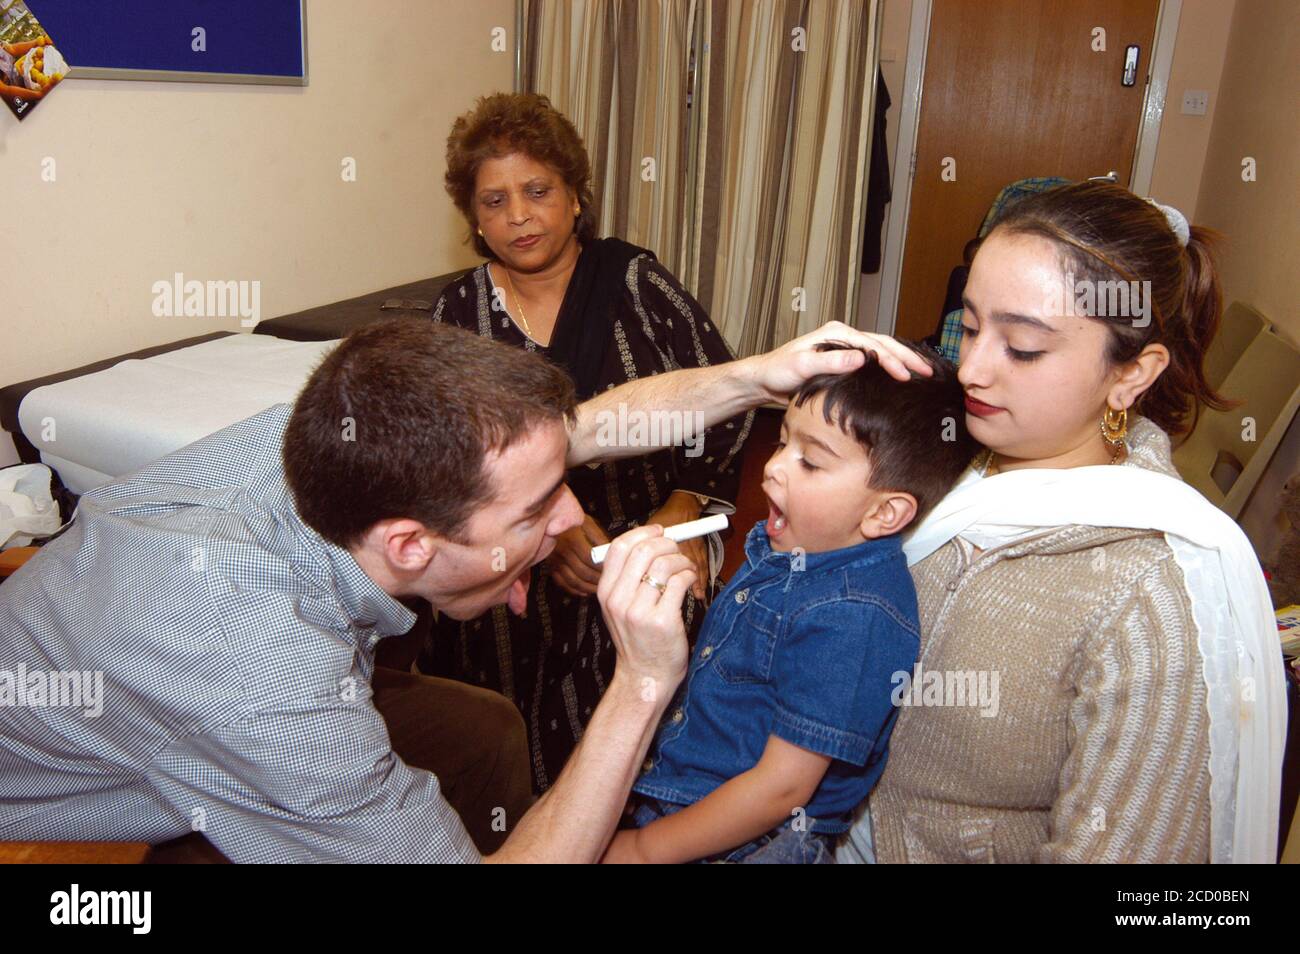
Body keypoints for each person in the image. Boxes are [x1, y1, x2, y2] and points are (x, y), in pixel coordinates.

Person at [0, 315, 932, 863]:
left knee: (485, 730)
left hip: (147, 678)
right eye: (533, 514)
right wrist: (642, 685)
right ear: (411, 544)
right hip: (56, 819)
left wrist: (753, 378)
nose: (572, 521)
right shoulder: (259, 671)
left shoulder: (335, 438)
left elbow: (588, 428)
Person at [839, 181, 1287, 864]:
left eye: (1022, 347)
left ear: (1132, 375)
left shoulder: (1152, 593)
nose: (972, 369)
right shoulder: (944, 459)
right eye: (971, 323)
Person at [418, 91, 751, 792]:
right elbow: (448, 455)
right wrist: (548, 527)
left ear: (575, 196)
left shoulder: (634, 283)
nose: (517, 216)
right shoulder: (456, 315)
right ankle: (519, 805)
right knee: (485, 643)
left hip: (649, 528)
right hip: (512, 549)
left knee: (653, 613)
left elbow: (728, 400)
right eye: (493, 201)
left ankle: (638, 807)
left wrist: (682, 512)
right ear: (473, 220)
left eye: (537, 191)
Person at [604, 343, 979, 863]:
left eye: (810, 461)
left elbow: (782, 790)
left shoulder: (854, 617)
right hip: (680, 792)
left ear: (885, 513)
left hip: (747, 843)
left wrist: (646, 850)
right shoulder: (789, 544)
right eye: (781, 442)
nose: (774, 468)